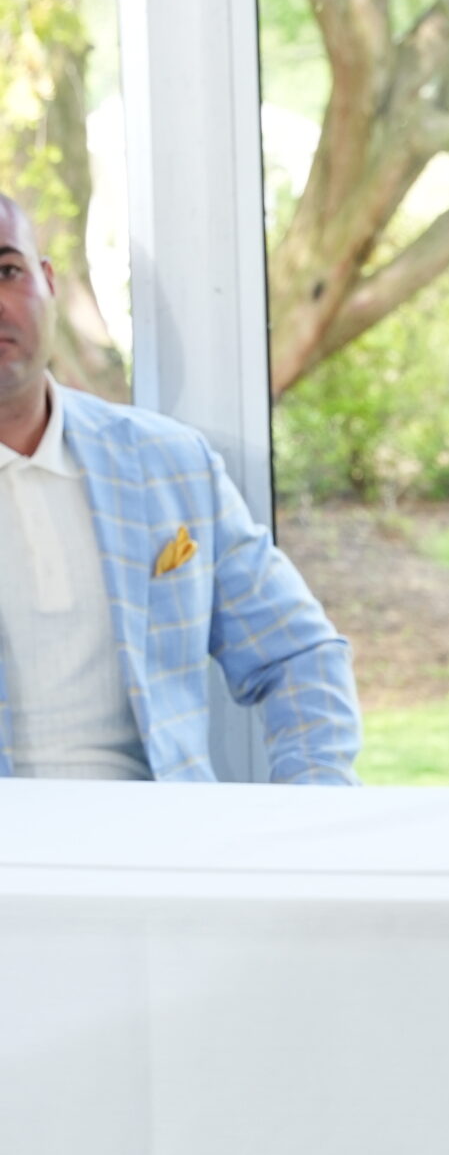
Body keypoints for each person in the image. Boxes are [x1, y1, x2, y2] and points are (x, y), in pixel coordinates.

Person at [0, 191, 361, 782]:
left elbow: (297, 653)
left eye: (6, 271)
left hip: (163, 830)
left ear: (47, 283)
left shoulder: (169, 465)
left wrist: (312, 800)